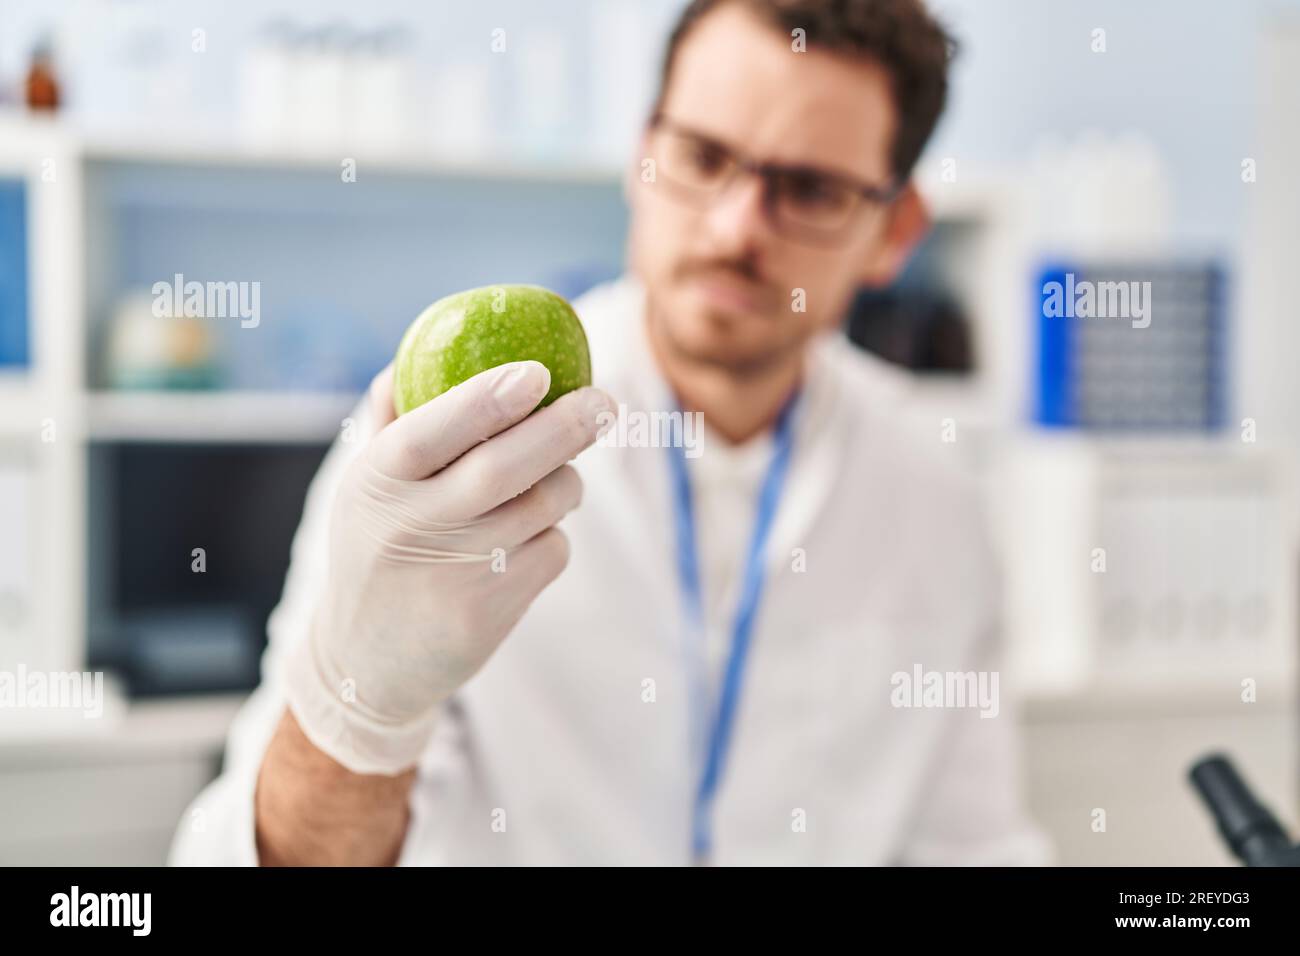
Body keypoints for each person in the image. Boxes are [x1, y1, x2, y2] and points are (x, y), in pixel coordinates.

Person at [171, 0, 1051, 866]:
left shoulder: (937, 492)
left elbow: (970, 844)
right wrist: (359, 709)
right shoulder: (440, 450)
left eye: (810, 189)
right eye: (704, 157)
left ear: (893, 232)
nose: (736, 227)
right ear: (643, 156)